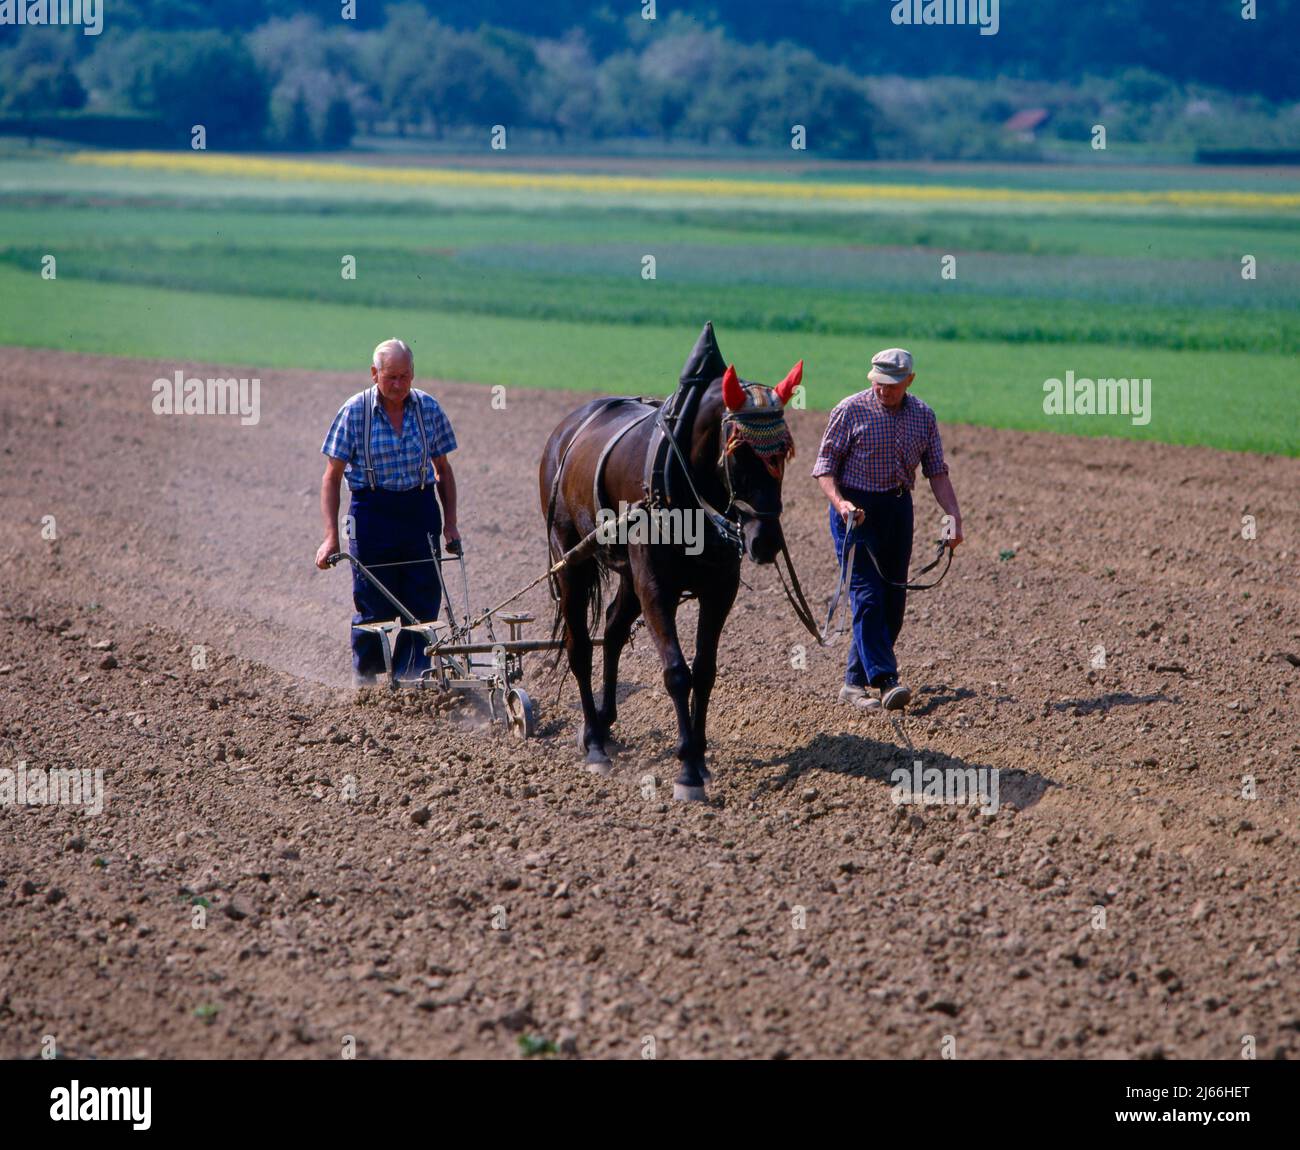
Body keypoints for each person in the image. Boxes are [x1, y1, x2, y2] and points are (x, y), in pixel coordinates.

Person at [811, 348, 963, 711]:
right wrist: (841, 503)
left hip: (897, 509)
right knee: (866, 595)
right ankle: (886, 680)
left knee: (893, 603)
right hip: (855, 512)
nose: (884, 390)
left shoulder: (924, 416)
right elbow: (824, 467)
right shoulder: (849, 410)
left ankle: (852, 684)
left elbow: (936, 472)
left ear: (909, 381)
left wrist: (954, 516)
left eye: (892, 385)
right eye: (878, 383)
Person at [314, 338, 460, 683]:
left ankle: (411, 679)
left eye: (405, 377)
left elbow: (443, 470)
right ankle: (366, 683)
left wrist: (450, 524)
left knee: (424, 602)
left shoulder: (429, 408)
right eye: (390, 377)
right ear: (374, 373)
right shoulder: (354, 411)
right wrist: (330, 537)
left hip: (419, 509)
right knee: (373, 604)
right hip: (372, 512)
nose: (398, 385)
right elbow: (332, 477)